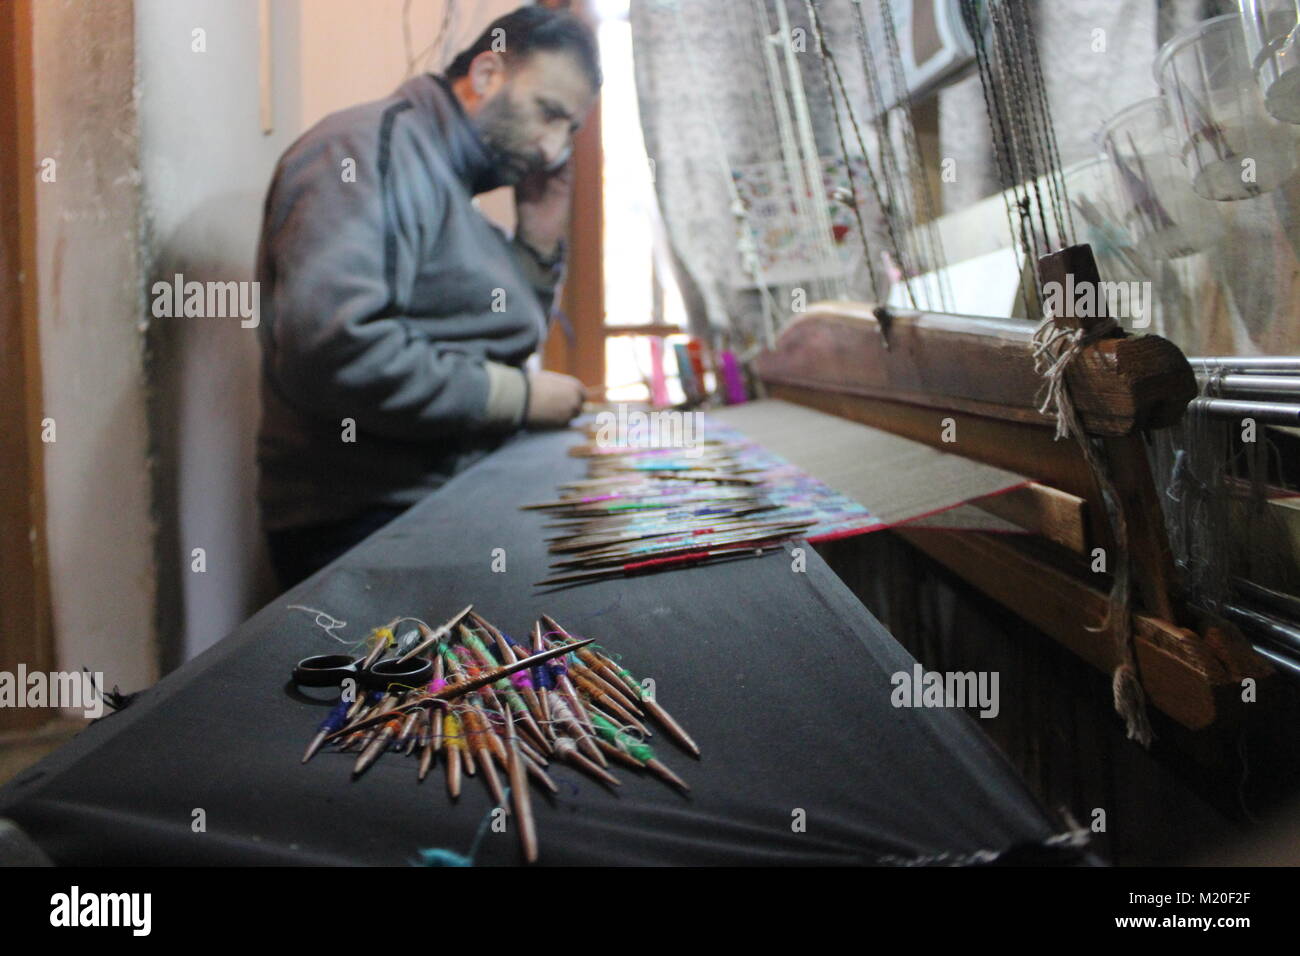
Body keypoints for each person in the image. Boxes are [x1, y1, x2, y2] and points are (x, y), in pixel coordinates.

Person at [255, 7, 600, 589]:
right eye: (549, 114)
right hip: (366, 525)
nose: (552, 151)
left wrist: (540, 241)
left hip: (433, 506)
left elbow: (502, 332)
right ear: (487, 74)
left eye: (570, 132)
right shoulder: (363, 147)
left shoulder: (443, 176)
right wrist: (515, 396)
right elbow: (334, 352)